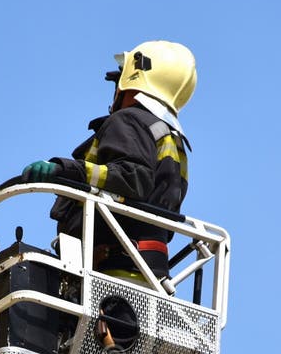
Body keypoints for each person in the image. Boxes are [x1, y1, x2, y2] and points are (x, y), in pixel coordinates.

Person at [22, 40, 197, 282]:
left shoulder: (128, 120)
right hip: (148, 274)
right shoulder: (171, 139)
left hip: (109, 270)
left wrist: (64, 170)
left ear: (130, 82)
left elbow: (130, 178)